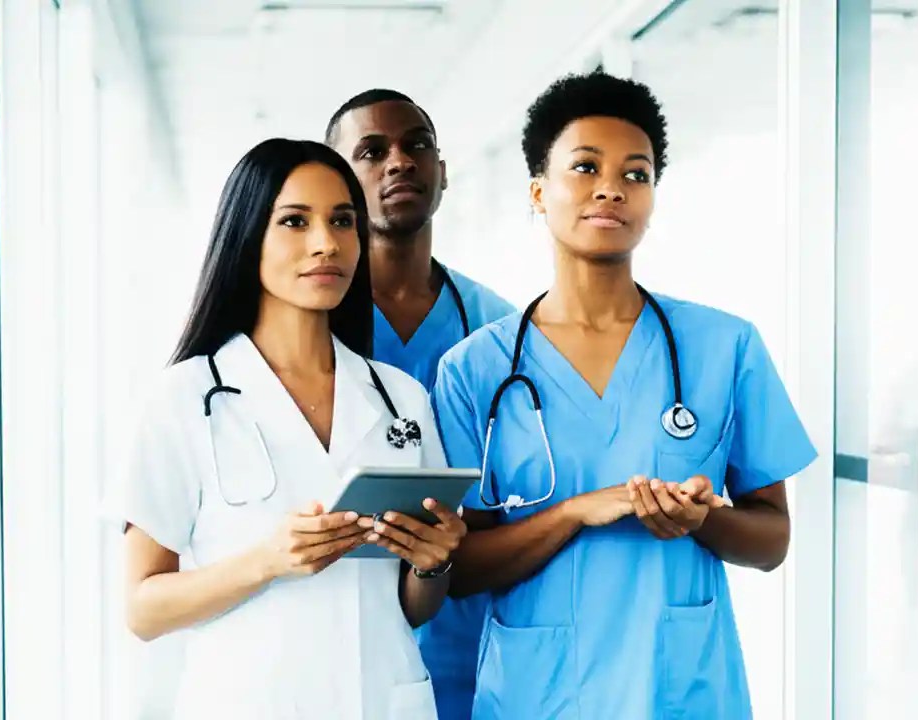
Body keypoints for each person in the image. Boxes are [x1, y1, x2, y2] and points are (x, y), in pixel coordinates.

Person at [432, 72, 817, 719]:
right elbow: (458, 569)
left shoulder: (724, 347)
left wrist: (704, 520)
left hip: (681, 692)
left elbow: (771, 542)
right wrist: (573, 513)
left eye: (636, 174)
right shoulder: (477, 370)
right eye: (585, 167)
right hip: (539, 695)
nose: (612, 187)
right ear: (538, 191)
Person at [122, 138, 467, 720]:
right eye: (295, 221)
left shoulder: (401, 399)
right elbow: (142, 609)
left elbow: (409, 607)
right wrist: (268, 560)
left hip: (383, 700)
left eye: (343, 221)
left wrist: (433, 564)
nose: (326, 243)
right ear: (247, 236)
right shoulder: (185, 398)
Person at [326, 89, 514, 719]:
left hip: (468, 636)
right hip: (339, 625)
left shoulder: (501, 330)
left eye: (417, 145)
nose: (400, 162)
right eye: (371, 151)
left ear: (442, 172)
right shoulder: (309, 325)